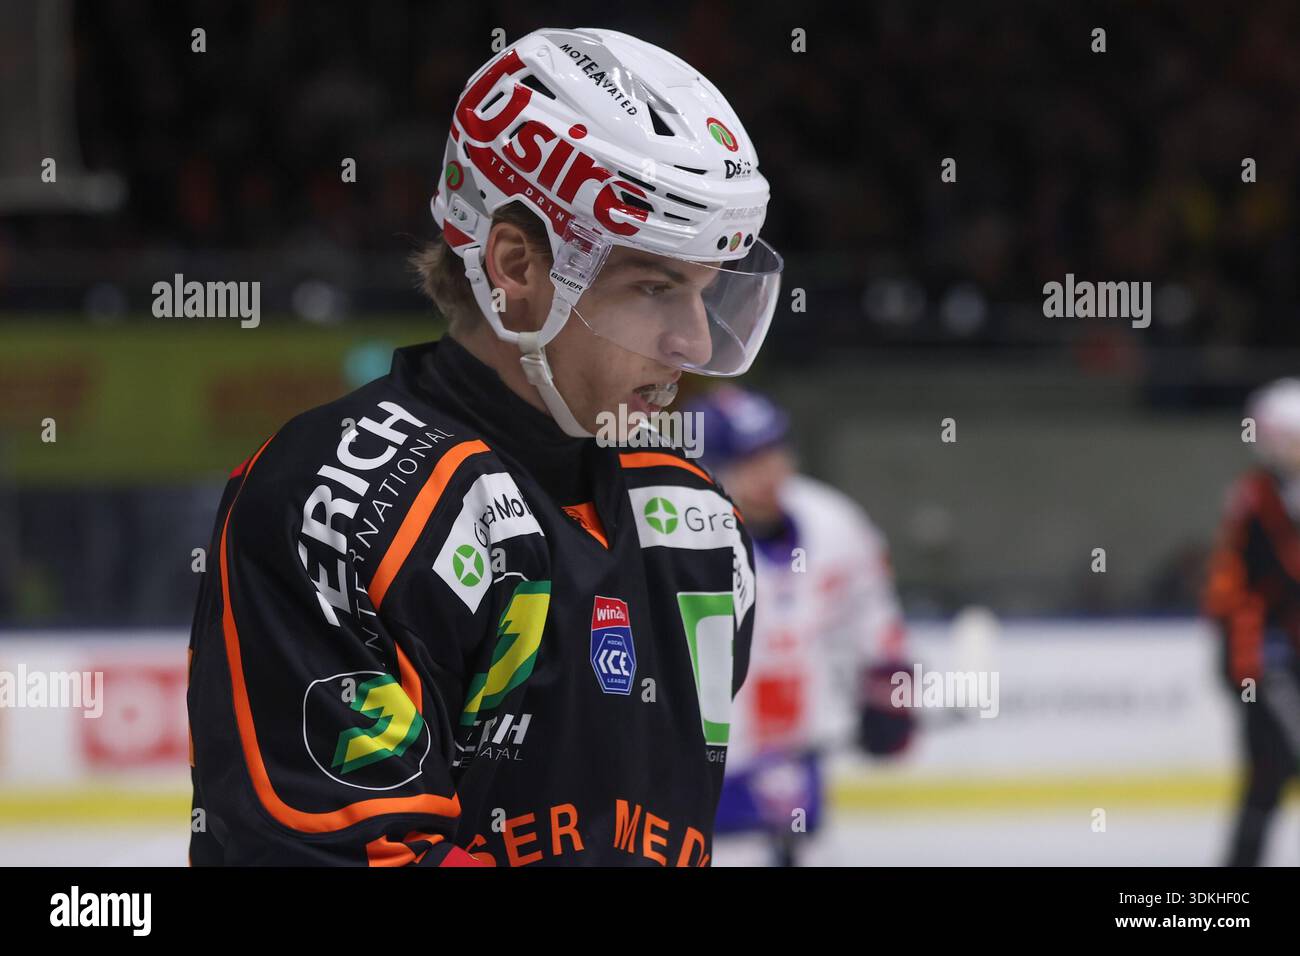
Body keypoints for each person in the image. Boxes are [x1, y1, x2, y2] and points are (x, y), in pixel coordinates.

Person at [187, 27, 782, 866]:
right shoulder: (345, 500)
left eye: (708, 294)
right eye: (654, 287)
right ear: (516, 265)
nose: (691, 343)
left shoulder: (694, 526)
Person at [687, 386, 914, 866]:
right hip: (706, 773)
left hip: (798, 764)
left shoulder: (834, 521)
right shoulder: (677, 534)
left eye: (774, 451)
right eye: (748, 460)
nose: (770, 471)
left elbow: (873, 615)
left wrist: (888, 693)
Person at [1204, 378, 1300, 866]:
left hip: (1276, 660)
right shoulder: (1257, 497)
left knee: (1268, 774)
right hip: (1259, 663)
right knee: (1273, 766)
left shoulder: (1275, 494)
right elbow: (1267, 580)